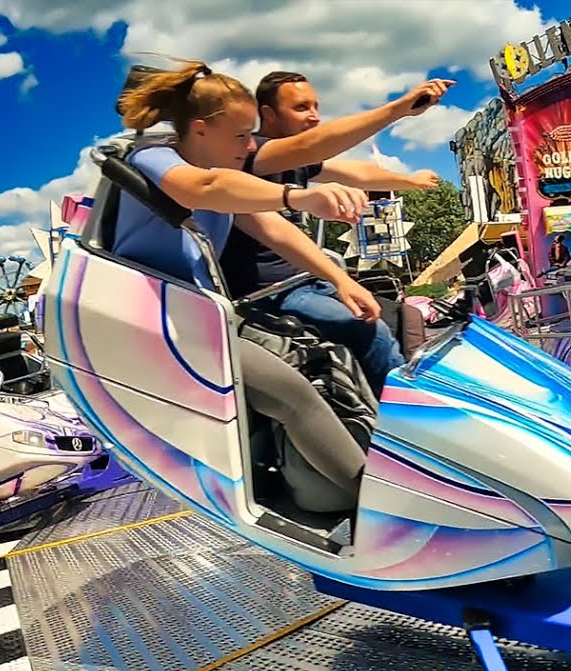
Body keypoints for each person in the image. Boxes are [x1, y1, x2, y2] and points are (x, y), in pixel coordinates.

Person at [113, 59, 380, 511]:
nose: (251, 145)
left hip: (201, 316)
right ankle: (377, 507)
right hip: (159, 324)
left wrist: (340, 279)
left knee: (324, 358)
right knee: (294, 397)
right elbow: (204, 186)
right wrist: (298, 196)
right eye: (240, 135)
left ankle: (375, 473)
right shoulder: (152, 156)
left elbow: (273, 228)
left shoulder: (225, 182)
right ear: (201, 130)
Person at [219, 71, 454, 392]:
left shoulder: (296, 161)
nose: (314, 116)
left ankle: (392, 398)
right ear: (268, 115)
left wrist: (410, 181)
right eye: (301, 108)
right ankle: (410, 410)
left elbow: (356, 172)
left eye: (316, 106)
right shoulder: (251, 154)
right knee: (372, 331)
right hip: (270, 294)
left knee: (406, 317)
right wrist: (398, 109)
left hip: (307, 281)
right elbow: (312, 147)